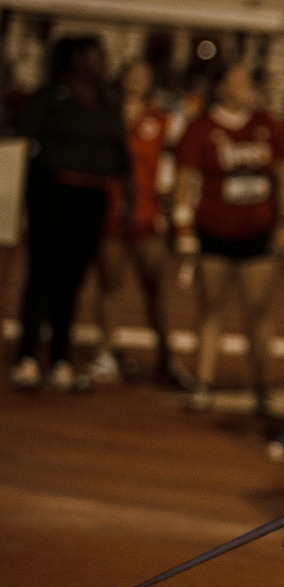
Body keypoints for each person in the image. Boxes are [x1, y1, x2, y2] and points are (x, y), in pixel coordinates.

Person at [11, 34, 132, 393]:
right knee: (43, 273)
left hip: (92, 196)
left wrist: (129, 201)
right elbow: (22, 147)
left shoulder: (109, 103)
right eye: (96, 55)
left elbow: (121, 157)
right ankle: (28, 355)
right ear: (76, 60)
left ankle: (61, 356)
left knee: (73, 279)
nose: (103, 62)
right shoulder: (49, 98)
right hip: (54, 193)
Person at [174, 60, 284, 411]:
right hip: (214, 231)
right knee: (211, 308)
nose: (250, 88)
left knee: (258, 311)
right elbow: (185, 180)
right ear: (222, 87)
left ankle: (263, 385)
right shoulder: (202, 128)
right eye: (242, 81)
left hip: (257, 233)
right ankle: (203, 382)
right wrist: (185, 230)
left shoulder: (268, 126)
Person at [85, 59, 182, 388]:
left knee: (155, 287)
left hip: (147, 212)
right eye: (132, 73)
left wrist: (173, 212)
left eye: (144, 74)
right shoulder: (104, 112)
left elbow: (173, 167)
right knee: (110, 283)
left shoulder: (162, 119)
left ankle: (167, 355)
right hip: (110, 209)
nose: (137, 79)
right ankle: (109, 348)